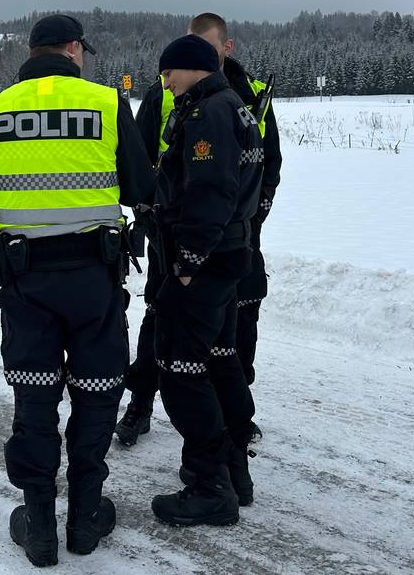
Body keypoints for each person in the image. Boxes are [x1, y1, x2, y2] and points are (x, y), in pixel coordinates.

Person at [0, 14, 155, 566]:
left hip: (26, 282)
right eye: (82, 50)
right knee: (96, 394)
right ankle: (86, 520)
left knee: (35, 399)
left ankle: (40, 526)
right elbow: (142, 186)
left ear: (32, 51)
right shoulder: (107, 103)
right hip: (95, 280)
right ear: (73, 49)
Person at [115, 13, 280, 444]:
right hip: (179, 237)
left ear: (226, 48)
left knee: (234, 330)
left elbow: (267, 167)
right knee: (161, 318)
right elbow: (141, 162)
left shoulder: (252, 96)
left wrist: (248, 220)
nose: (167, 80)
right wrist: (154, 221)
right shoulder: (163, 95)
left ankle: (231, 426)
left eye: (208, 46)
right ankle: (142, 405)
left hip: (227, 239)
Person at [145, 34, 263, 526]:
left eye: (169, 71)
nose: (164, 80)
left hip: (207, 261)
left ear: (192, 67)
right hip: (229, 253)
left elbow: (211, 192)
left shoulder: (210, 113)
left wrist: (188, 262)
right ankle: (233, 470)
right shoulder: (231, 105)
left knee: (179, 367)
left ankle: (208, 484)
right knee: (219, 358)